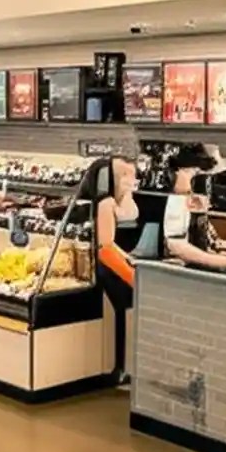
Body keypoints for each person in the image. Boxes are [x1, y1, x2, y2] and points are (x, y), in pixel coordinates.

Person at [87, 156, 141, 386]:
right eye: (126, 175)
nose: (133, 180)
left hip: (120, 262)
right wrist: (132, 272)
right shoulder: (106, 204)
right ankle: (121, 366)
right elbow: (106, 245)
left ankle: (124, 365)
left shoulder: (121, 201)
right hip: (111, 268)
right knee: (125, 311)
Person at [162, 143, 226, 270]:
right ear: (176, 173)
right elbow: (176, 246)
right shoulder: (175, 200)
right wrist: (222, 261)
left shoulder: (186, 200)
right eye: (194, 175)